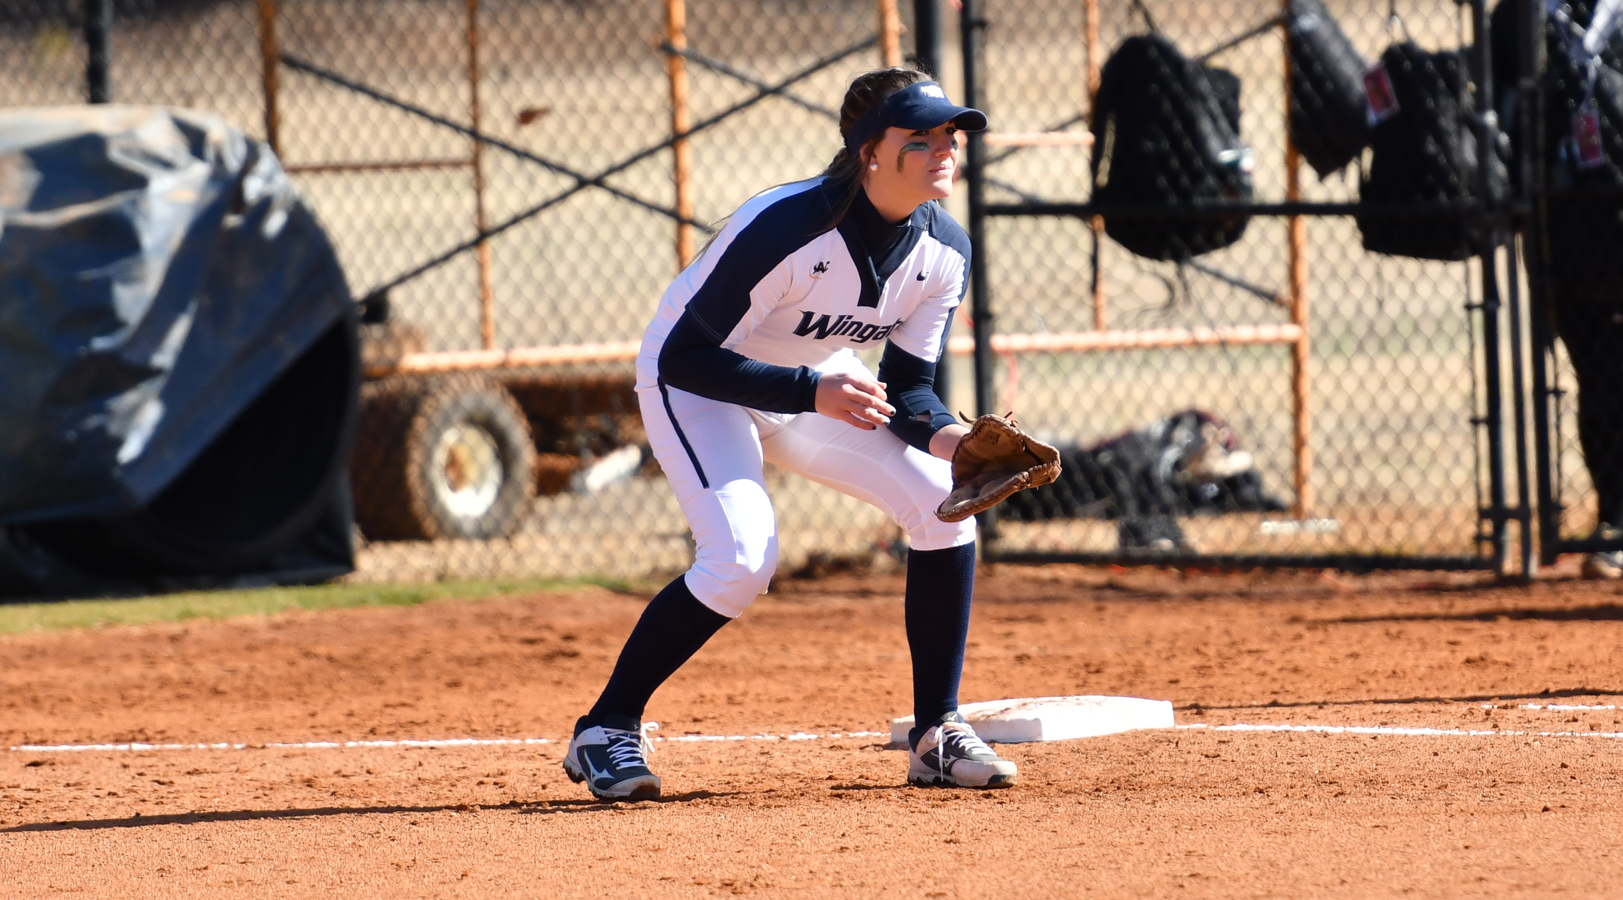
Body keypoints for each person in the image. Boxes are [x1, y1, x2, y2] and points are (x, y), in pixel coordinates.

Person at [561, 68, 1017, 800]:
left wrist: (952, 446)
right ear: (869, 150)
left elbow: (908, 390)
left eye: (950, 137)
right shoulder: (786, 226)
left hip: (809, 384)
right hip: (698, 386)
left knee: (942, 505)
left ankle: (936, 732)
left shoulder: (944, 251)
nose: (944, 150)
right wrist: (812, 391)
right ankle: (605, 727)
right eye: (920, 137)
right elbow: (684, 354)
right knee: (740, 560)